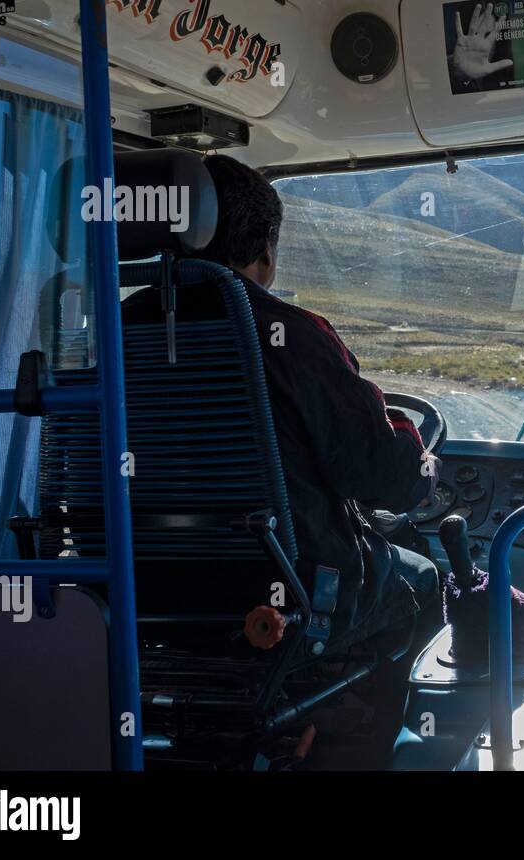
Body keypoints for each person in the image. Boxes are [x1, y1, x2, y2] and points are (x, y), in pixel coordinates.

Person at [122, 155, 443, 745]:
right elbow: (386, 479)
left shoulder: (112, 334)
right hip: (273, 602)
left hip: (138, 594)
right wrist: (419, 456)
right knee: (420, 582)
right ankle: (356, 754)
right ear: (265, 251)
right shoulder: (286, 334)